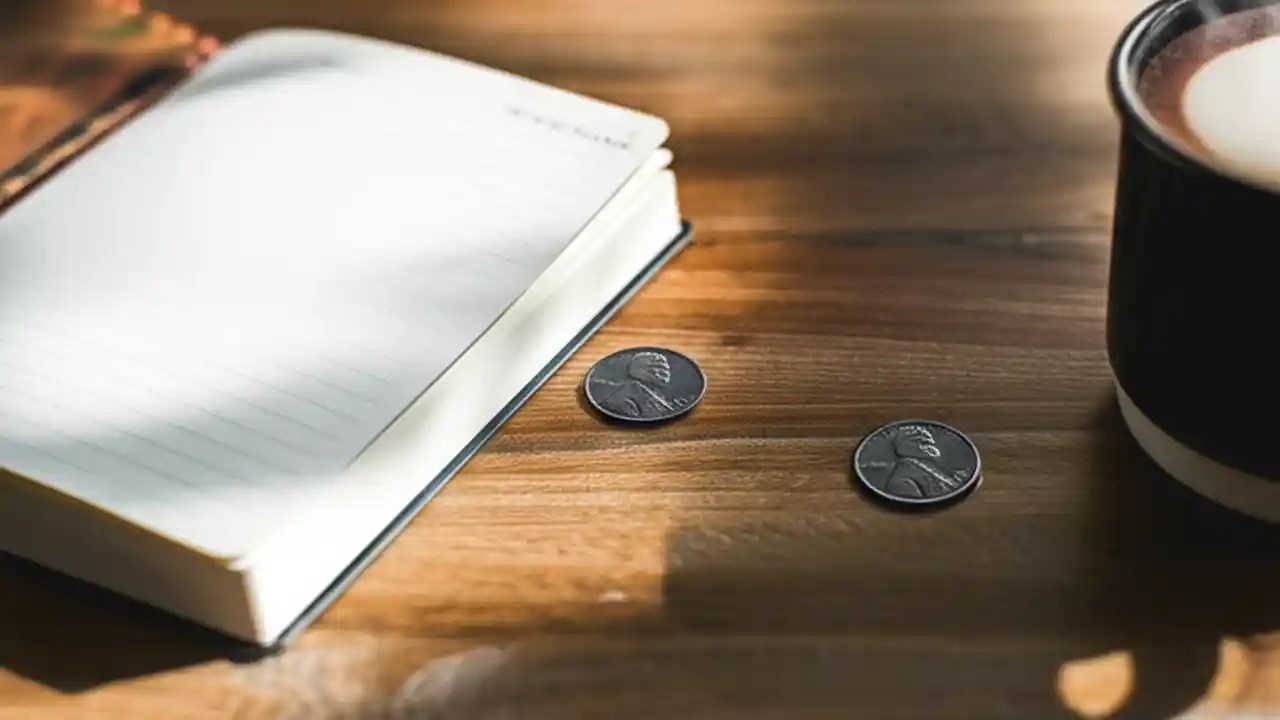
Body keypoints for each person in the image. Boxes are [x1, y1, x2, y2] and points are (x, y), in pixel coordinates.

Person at [877, 424, 965, 499]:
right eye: (924, 444)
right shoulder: (902, 482)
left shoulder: (939, 470)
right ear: (908, 447)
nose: (933, 449)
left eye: (931, 444)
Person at [590, 351, 679, 419]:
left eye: (665, 368)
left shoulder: (659, 396)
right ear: (643, 371)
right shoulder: (624, 398)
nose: (666, 371)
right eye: (659, 368)